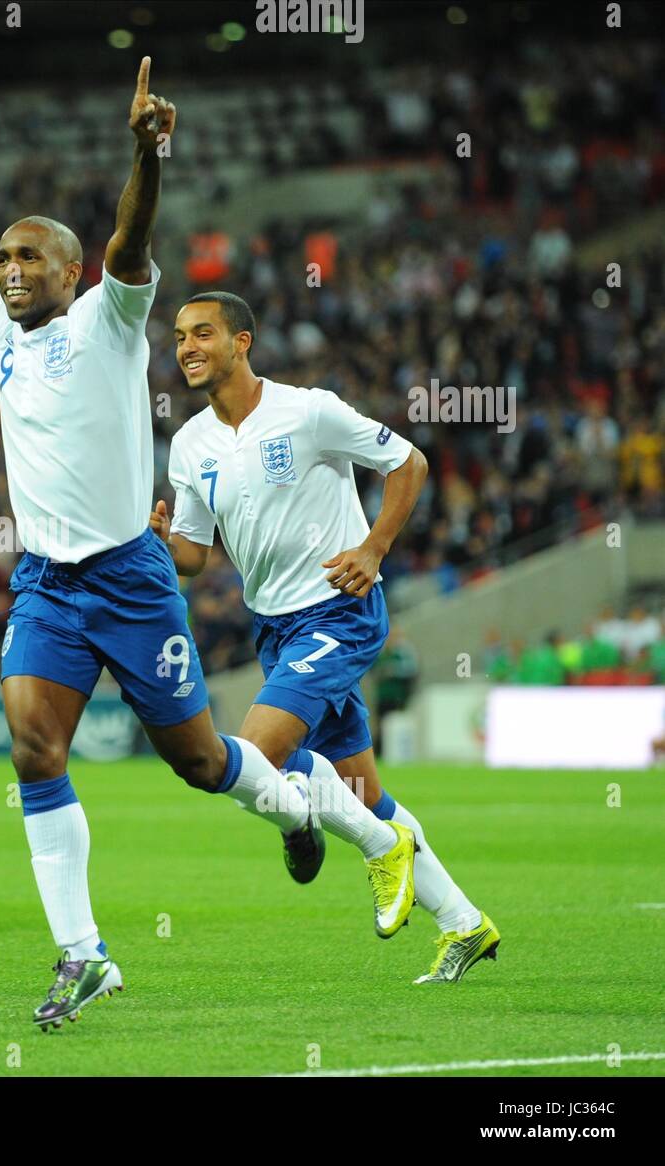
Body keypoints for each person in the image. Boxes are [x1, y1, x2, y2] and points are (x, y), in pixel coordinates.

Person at [0, 60, 414, 1029]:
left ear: (70, 272)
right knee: (34, 746)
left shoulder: (110, 320)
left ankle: (306, 811)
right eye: (1, 255)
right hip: (45, 582)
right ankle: (82, 954)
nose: (4, 267)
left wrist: (144, 148)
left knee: (204, 761)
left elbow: (132, 234)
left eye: (26, 257)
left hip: (130, 577)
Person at [159, 291, 498, 984]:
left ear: (242, 341)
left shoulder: (308, 411)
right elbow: (194, 557)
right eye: (177, 338)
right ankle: (465, 922)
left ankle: (378, 848)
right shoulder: (190, 444)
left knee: (254, 756)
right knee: (360, 789)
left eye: (201, 333)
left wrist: (373, 548)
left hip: (339, 612)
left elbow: (409, 464)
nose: (186, 347)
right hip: (277, 628)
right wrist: (164, 541)